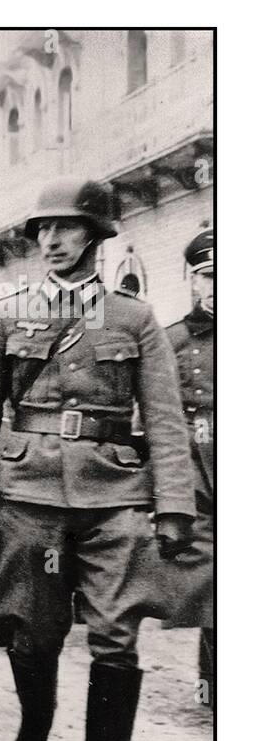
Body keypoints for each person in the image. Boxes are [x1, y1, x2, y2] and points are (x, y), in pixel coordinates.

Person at [0, 177, 196, 741]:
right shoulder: (7, 313)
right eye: (42, 230)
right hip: (28, 493)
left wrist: (174, 504)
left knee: (118, 633)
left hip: (115, 494)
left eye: (65, 228)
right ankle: (33, 730)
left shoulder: (133, 317)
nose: (51, 240)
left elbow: (166, 418)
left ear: (94, 233)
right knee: (33, 630)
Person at [162, 228, 215, 707]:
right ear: (192, 281)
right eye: (207, 276)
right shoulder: (173, 340)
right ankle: (213, 679)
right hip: (197, 464)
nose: (217, 285)